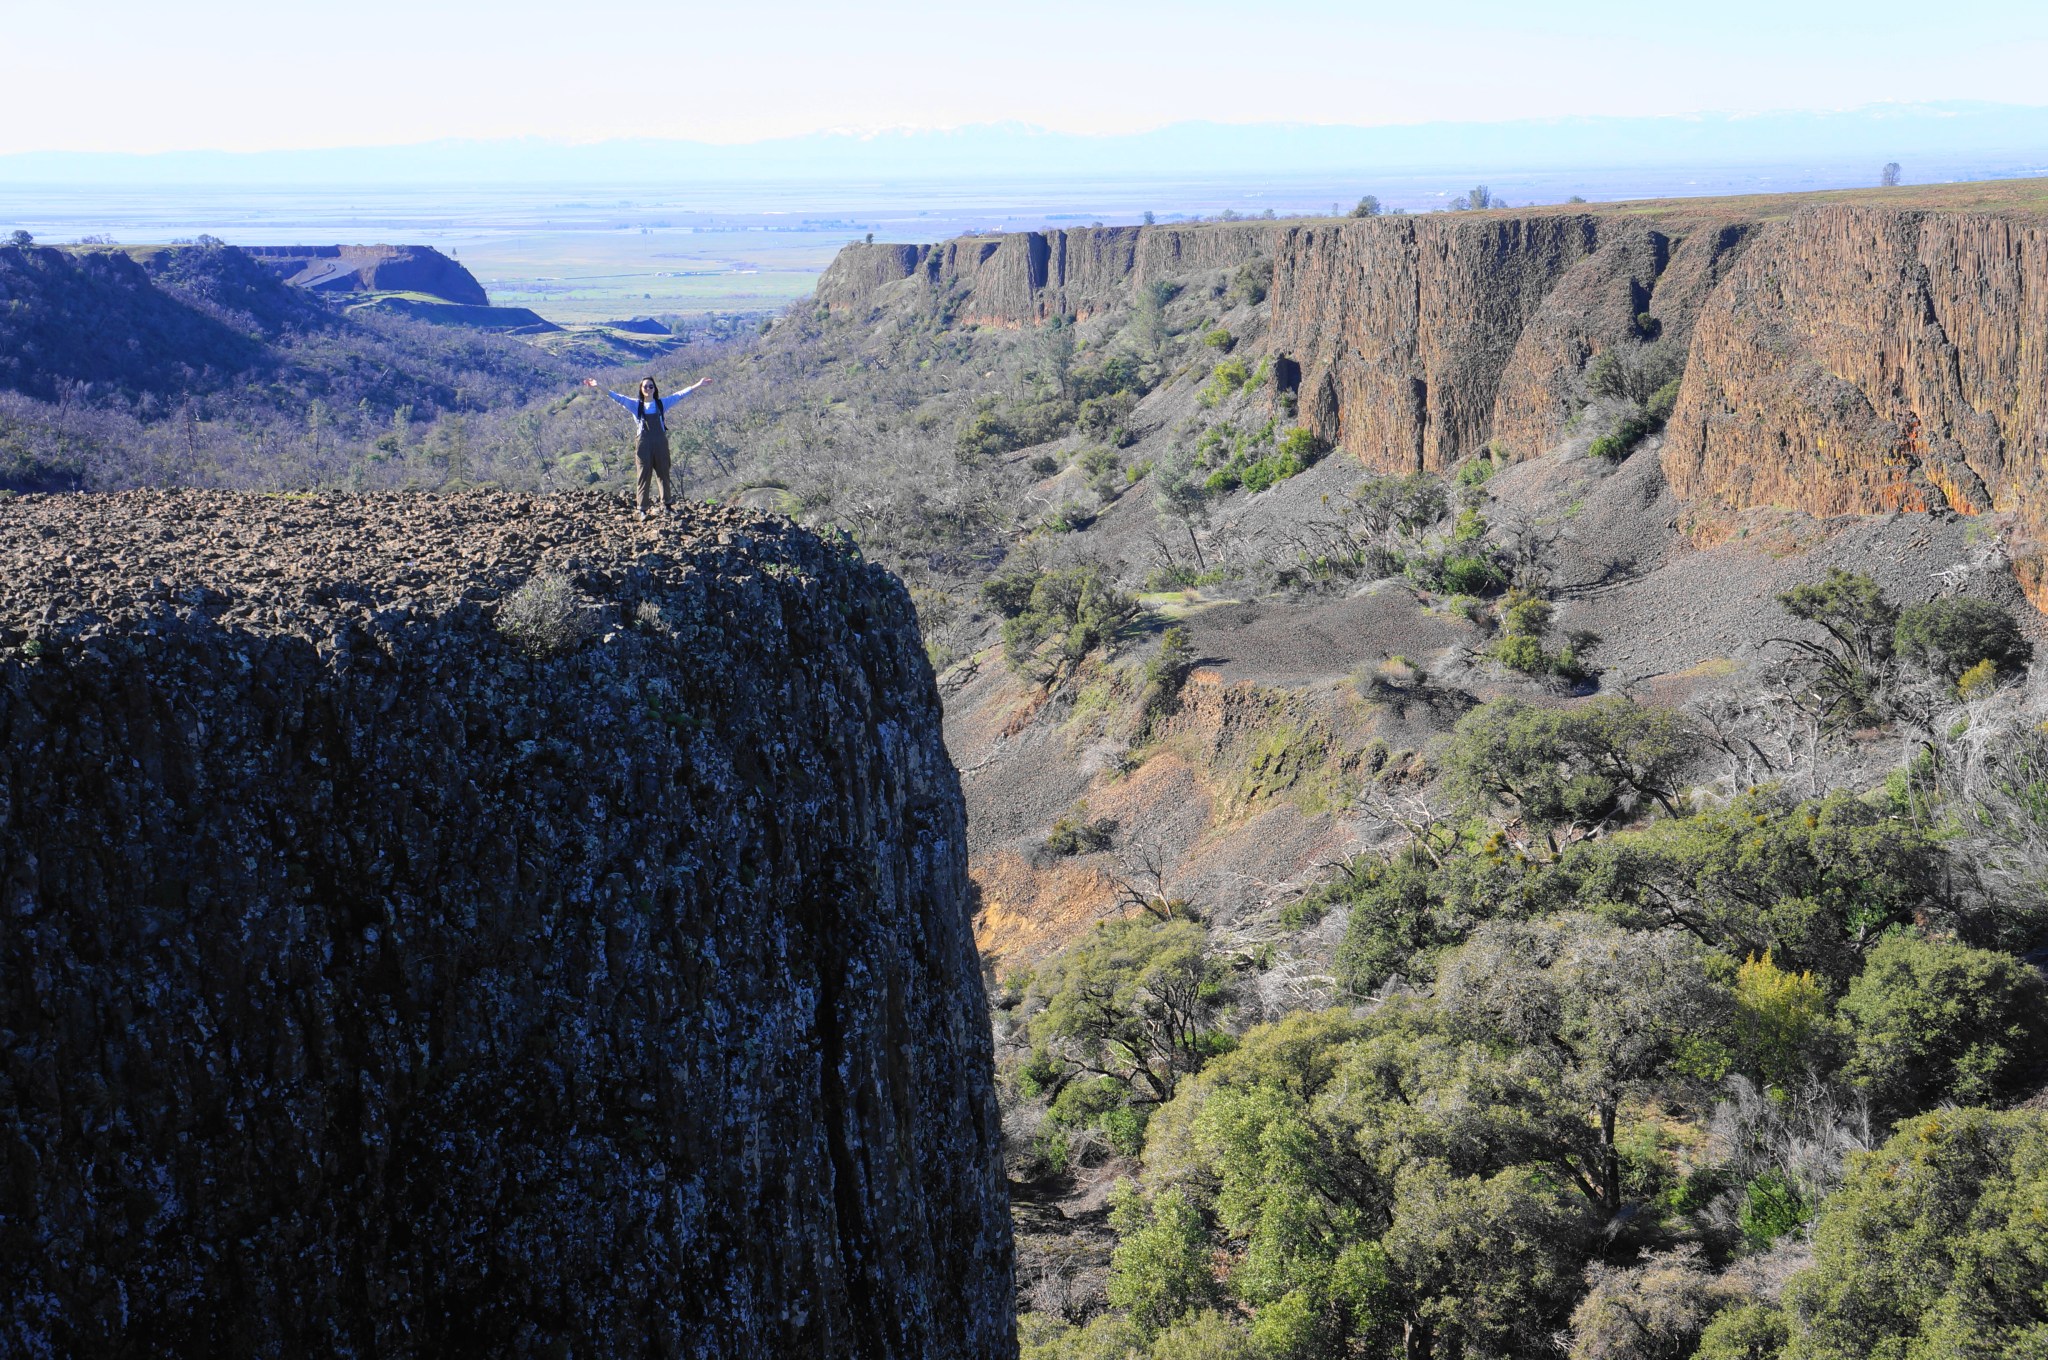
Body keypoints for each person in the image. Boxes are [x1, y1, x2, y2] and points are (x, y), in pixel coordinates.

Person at [584, 374, 710, 517]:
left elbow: (679, 395)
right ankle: (642, 509)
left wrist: (698, 385)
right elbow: (616, 396)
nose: (648, 388)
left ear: (654, 388)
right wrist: (598, 386)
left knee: (663, 473)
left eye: (651, 386)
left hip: (660, 443)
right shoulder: (635, 405)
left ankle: (667, 505)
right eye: (645, 386)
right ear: (641, 389)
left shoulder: (661, 404)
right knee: (644, 475)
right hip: (643, 444)